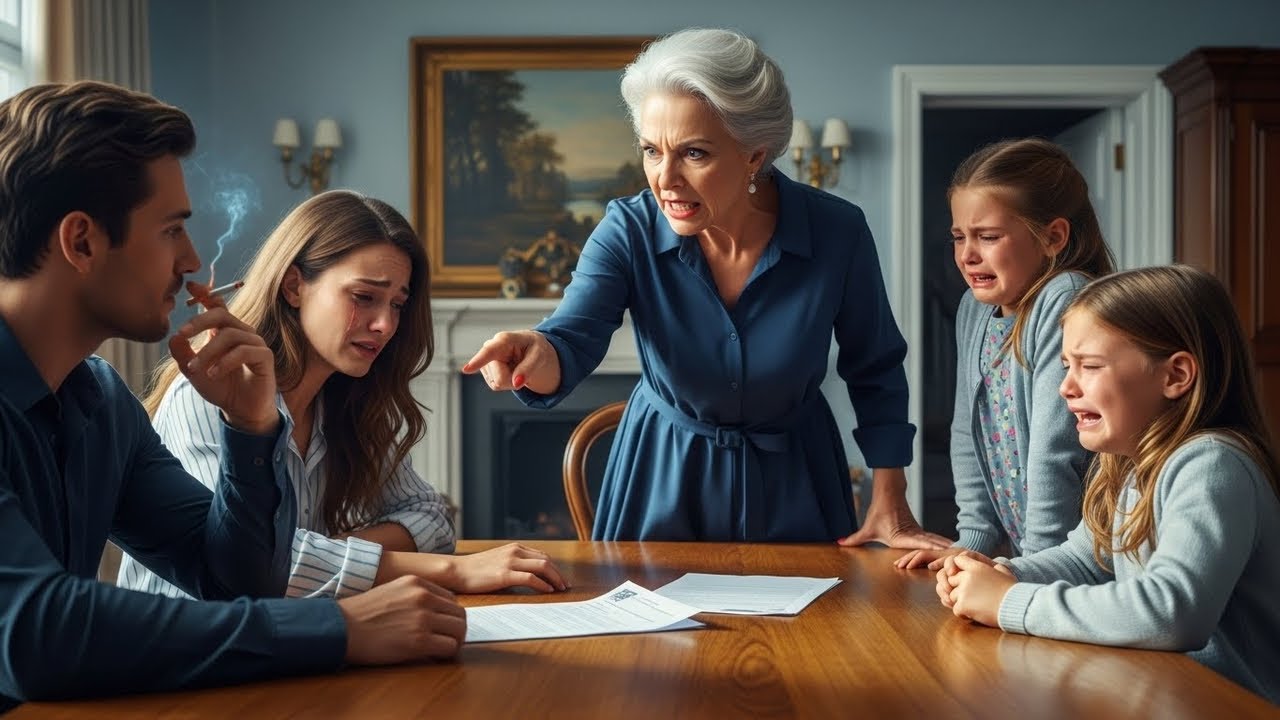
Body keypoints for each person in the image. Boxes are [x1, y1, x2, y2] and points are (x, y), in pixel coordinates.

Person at [0, 81, 464, 710]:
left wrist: (250, 432)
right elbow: (35, 632)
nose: (192, 261)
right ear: (81, 241)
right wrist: (341, 629)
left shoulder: (100, 401)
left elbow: (231, 577)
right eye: (171, 231)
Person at [463, 27, 946, 547]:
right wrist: (536, 349)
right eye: (651, 150)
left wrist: (890, 500)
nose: (664, 178)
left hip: (797, 481)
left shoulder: (837, 232)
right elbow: (572, 337)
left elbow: (874, 367)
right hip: (660, 478)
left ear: (754, 156)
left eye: (693, 153)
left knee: (809, 628)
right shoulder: (627, 230)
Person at [118, 190, 566, 598]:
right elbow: (241, 567)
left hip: (283, 650)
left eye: (397, 304)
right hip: (186, 664)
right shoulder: (209, 392)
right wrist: (451, 572)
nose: (386, 325)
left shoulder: (345, 402)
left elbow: (431, 517)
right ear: (294, 286)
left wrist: (324, 552)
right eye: (364, 296)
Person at [936, 265, 1280, 704]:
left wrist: (1010, 602)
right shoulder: (1130, 466)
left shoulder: (1212, 466)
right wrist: (1003, 574)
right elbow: (1085, 560)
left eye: (1090, 366)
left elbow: (1171, 611)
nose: (1065, 388)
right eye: (1066, 366)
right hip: (1163, 696)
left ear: (1175, 376)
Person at [896, 138, 1114, 570]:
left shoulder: (1064, 298)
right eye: (959, 237)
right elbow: (967, 430)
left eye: (988, 237)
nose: (967, 255)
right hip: (1030, 560)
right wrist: (973, 538)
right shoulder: (974, 310)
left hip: (1082, 561)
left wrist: (1033, 564)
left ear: (1053, 237)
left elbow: (1057, 450)